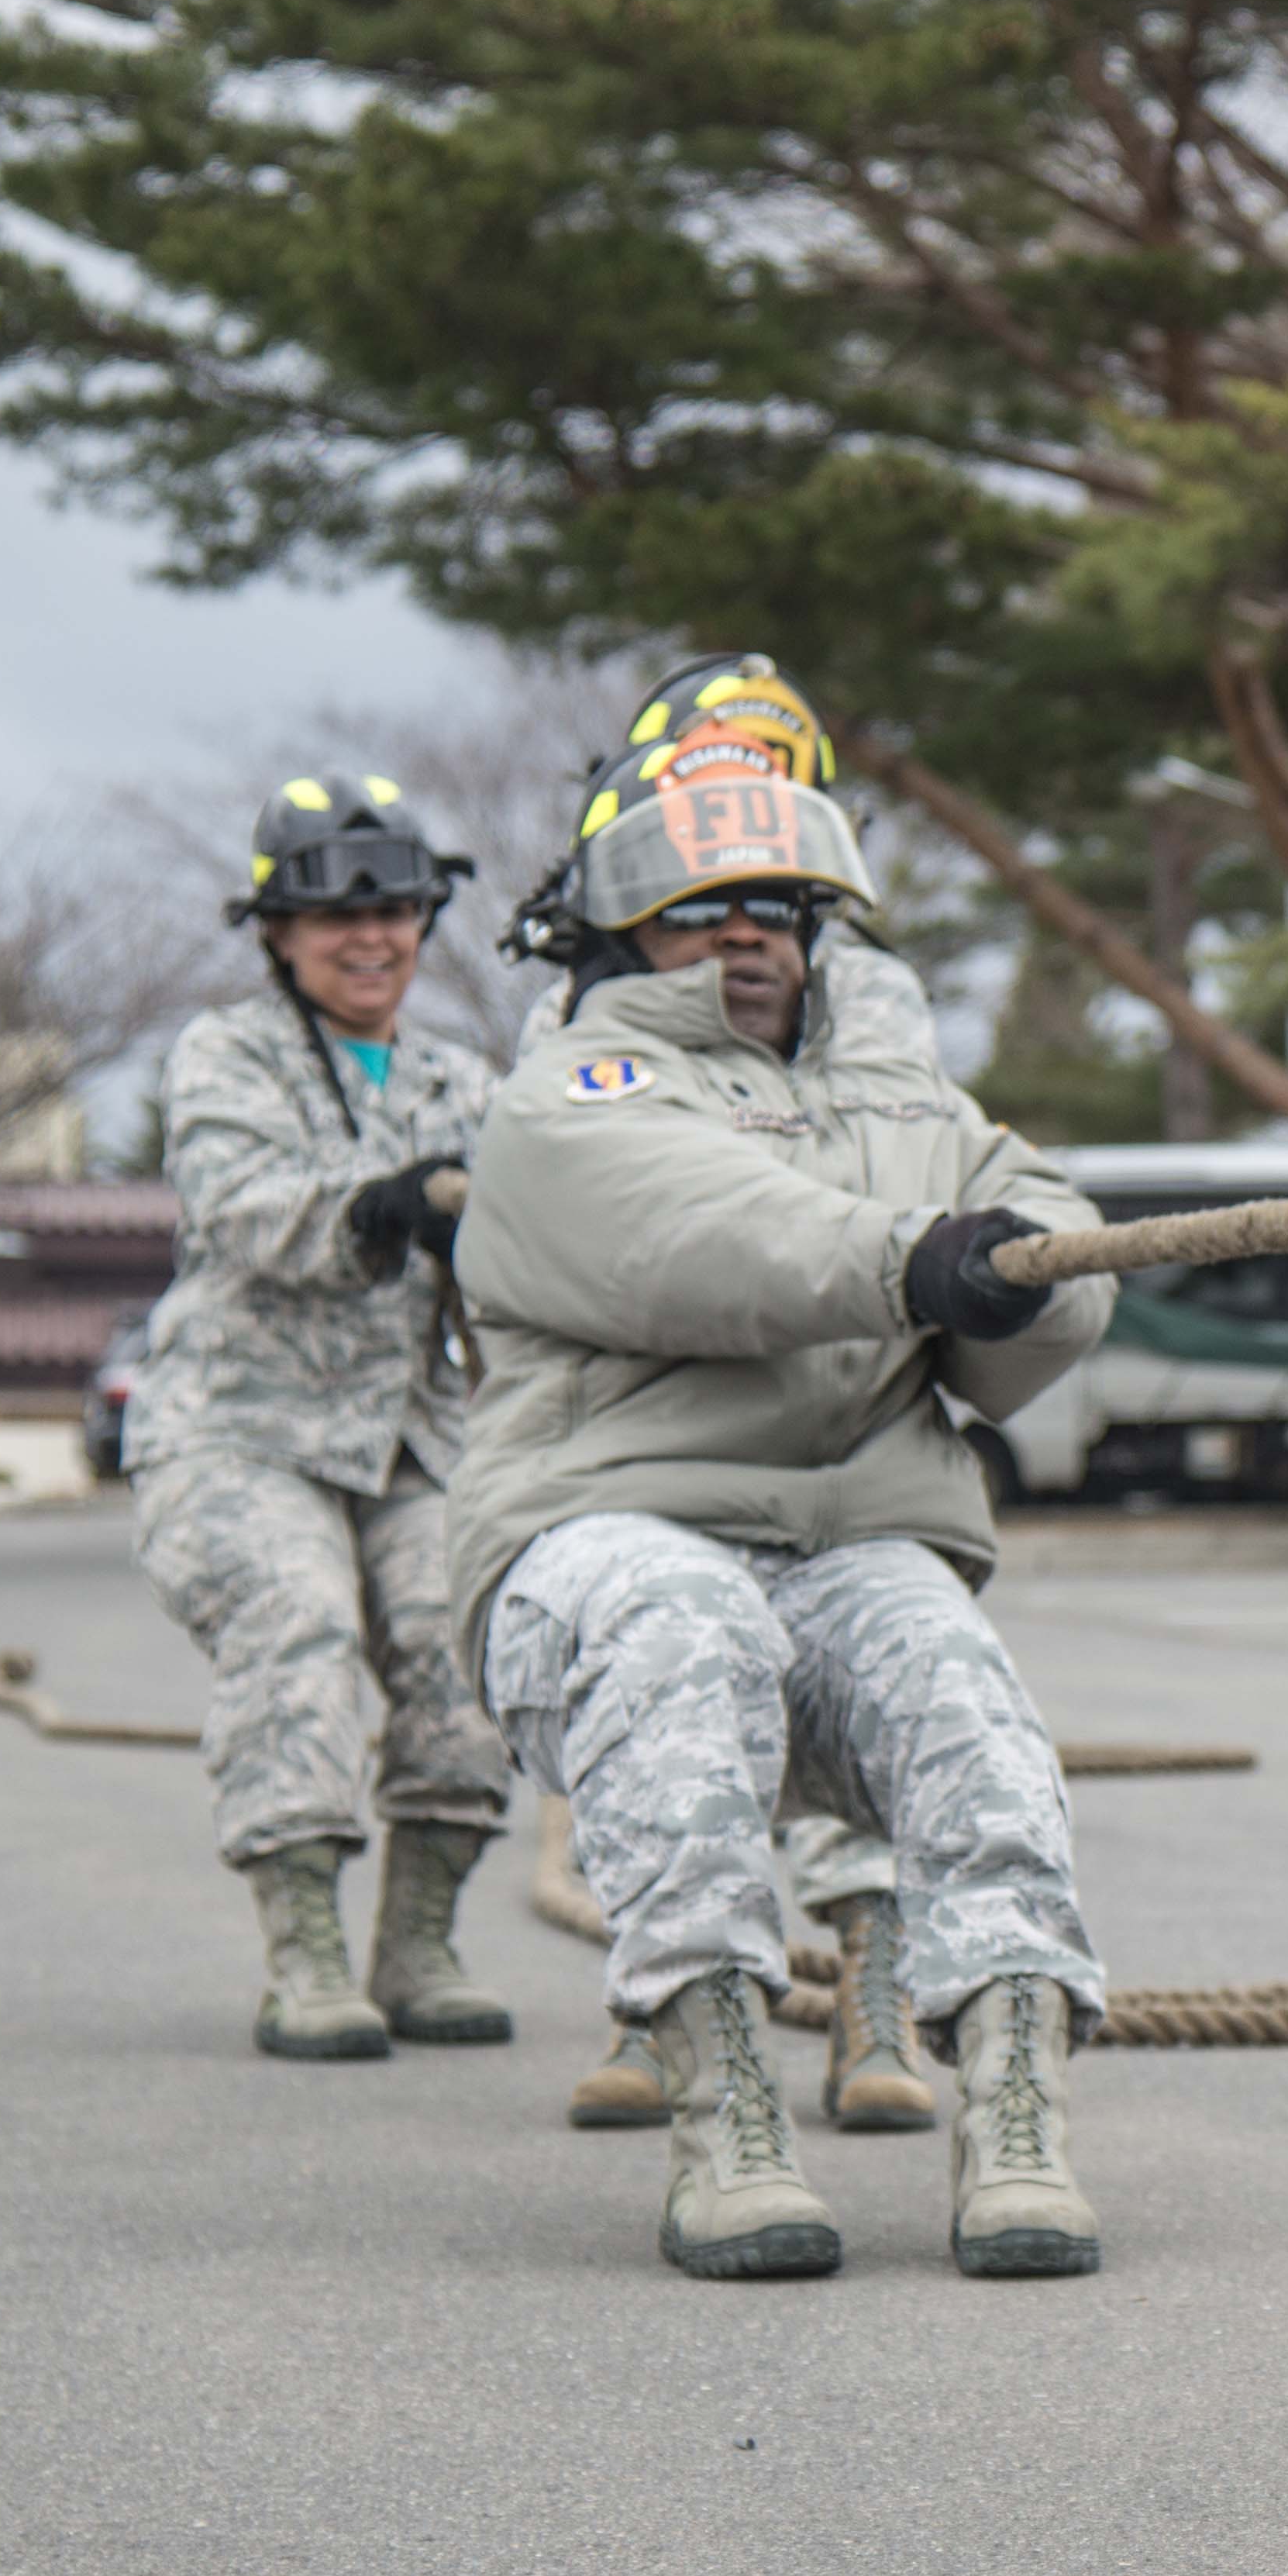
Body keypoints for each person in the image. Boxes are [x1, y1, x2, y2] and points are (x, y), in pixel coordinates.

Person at [446, 731, 1117, 2281]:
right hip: (606, 1530)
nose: (745, 929)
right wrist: (913, 1258)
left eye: (774, 902)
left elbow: (1053, 1228)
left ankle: (1017, 2110)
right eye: (699, 906)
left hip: (848, 1540)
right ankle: (722, 2110)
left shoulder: (895, 1096)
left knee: (965, 1692)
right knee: (678, 1630)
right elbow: (700, 1234)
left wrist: (1021, 1289)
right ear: (622, 938)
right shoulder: (570, 1094)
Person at [519, 663, 944, 2148]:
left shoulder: (862, 985)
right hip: (649, 1413)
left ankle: (875, 1994)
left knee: (858, 1683)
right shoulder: (589, 989)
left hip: (826, 1389)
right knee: (660, 1692)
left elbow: (879, 1165)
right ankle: (665, 2007)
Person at [128, 774, 515, 2057]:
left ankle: (417, 1947)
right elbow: (242, 1202)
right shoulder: (224, 1057)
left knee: (469, 1633)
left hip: (414, 1435)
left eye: (398, 912)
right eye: (337, 918)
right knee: (296, 1622)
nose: (372, 939)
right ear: (278, 934)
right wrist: (383, 1207)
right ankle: (304, 1953)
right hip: (240, 1432)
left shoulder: (468, 1084)